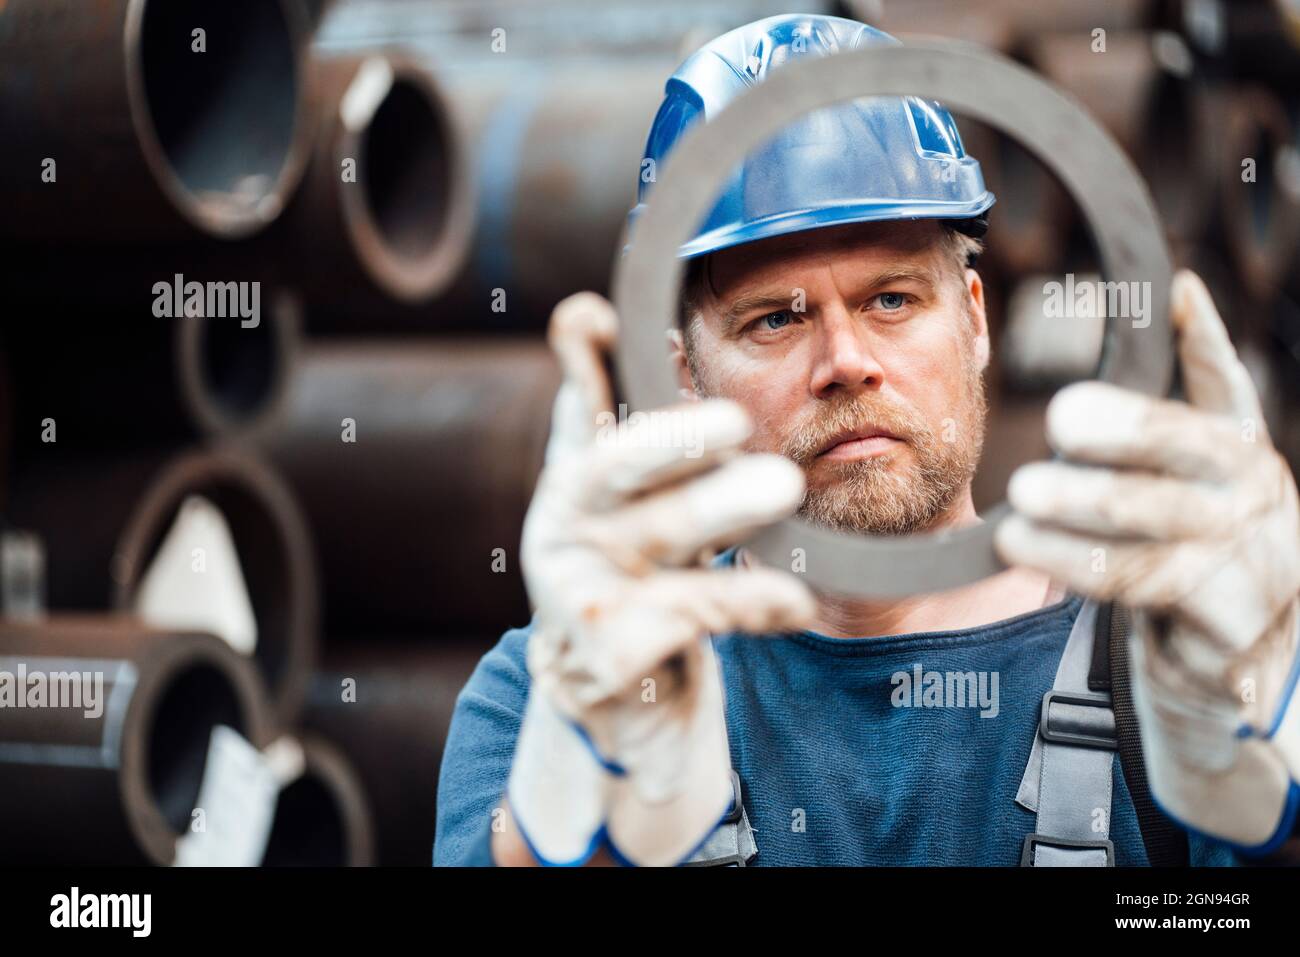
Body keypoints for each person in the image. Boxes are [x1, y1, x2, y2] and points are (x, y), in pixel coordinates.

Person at [433, 14, 1300, 867]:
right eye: (775, 318)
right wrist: (582, 835)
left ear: (973, 319)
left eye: (891, 300)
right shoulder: (555, 696)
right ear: (685, 375)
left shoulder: (1173, 670)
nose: (845, 363)